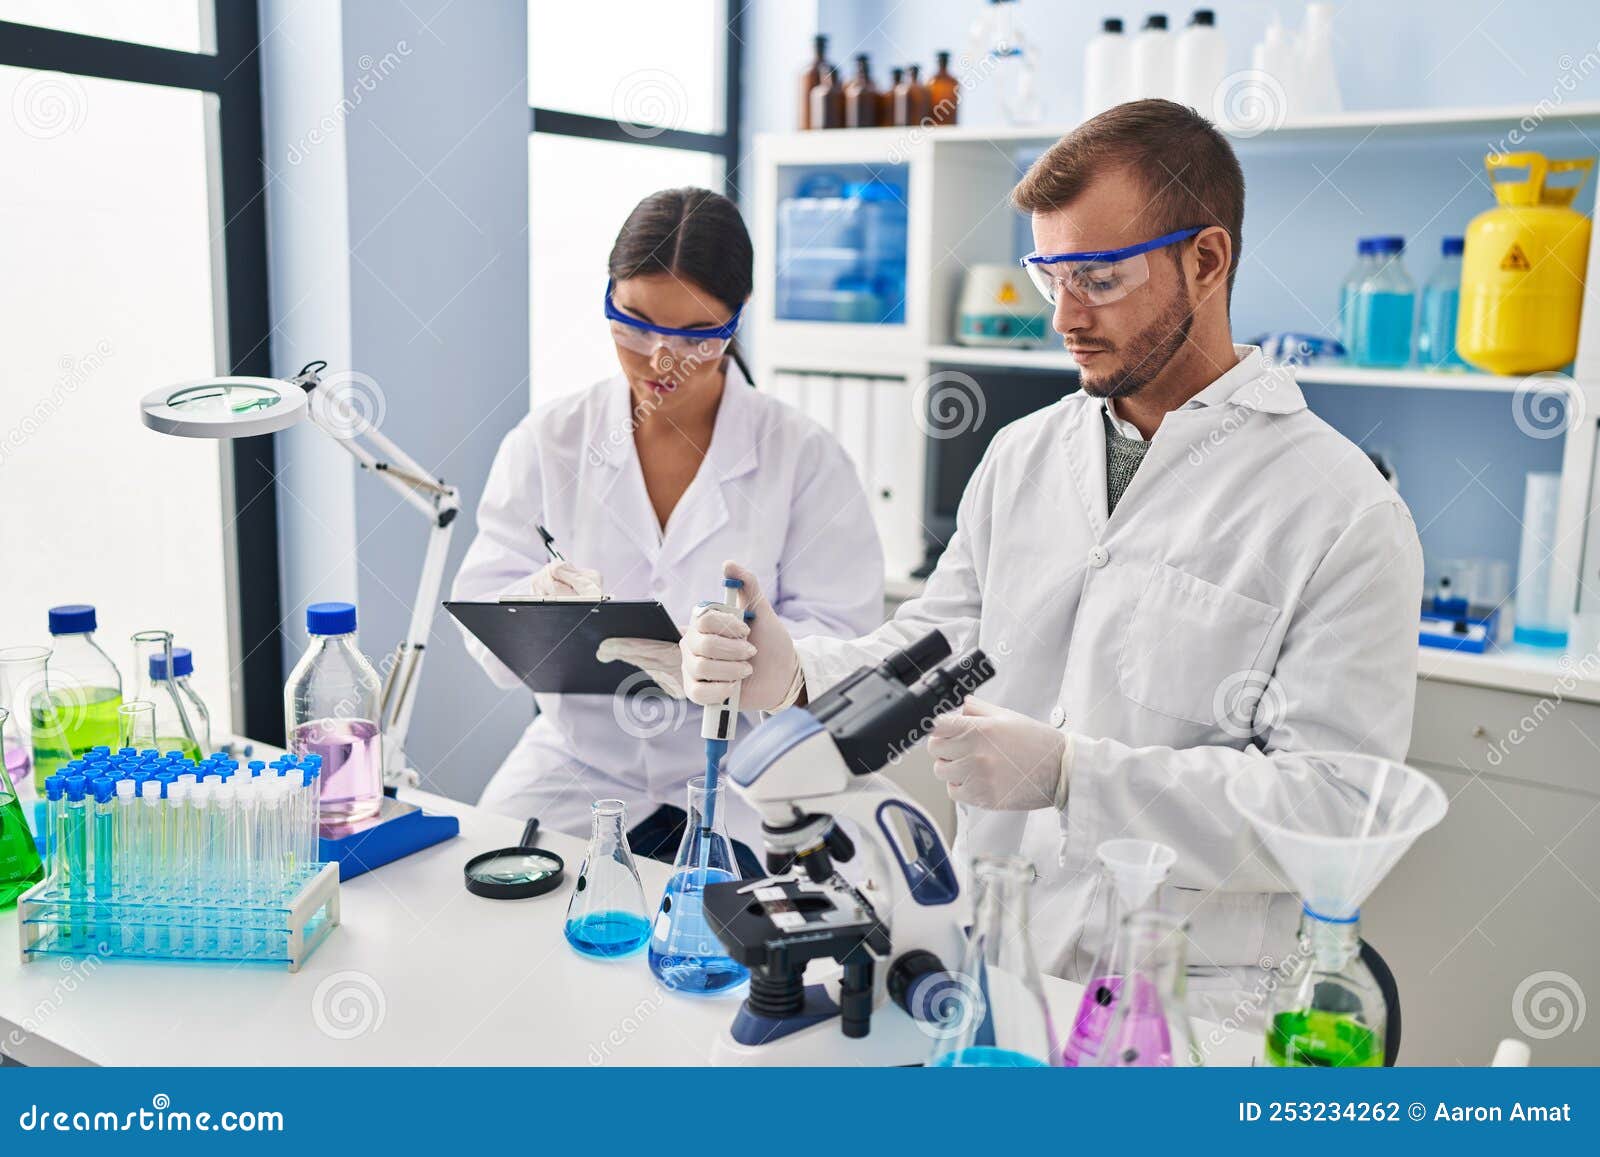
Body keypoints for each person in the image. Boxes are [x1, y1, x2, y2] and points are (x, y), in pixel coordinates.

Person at [681, 101, 1423, 1016]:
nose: (1065, 317)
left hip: (1184, 1000)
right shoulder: (1023, 455)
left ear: (1207, 259)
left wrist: (1077, 776)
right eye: (1050, 278)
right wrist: (795, 673)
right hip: (987, 958)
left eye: (1099, 279)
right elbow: (937, 649)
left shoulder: (1343, 510)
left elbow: (1337, 810)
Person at [453, 187, 883, 870]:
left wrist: (754, 659)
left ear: (737, 319)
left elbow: (849, 644)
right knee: (484, 887)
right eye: (635, 325)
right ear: (609, 296)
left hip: (747, 772)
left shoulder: (804, 456)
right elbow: (487, 622)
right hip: (579, 764)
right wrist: (534, 603)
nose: (661, 361)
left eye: (695, 338)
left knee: (768, 922)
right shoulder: (550, 441)